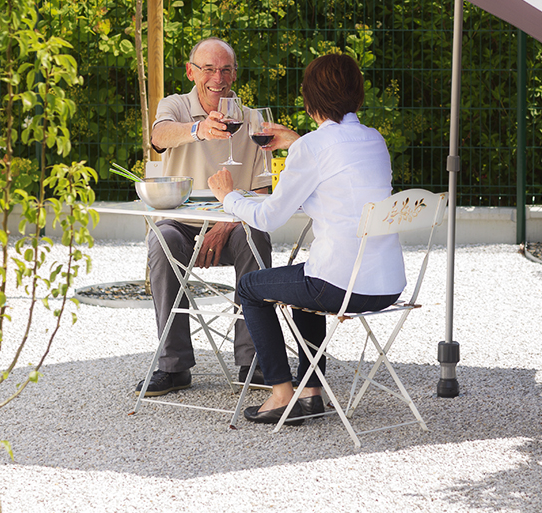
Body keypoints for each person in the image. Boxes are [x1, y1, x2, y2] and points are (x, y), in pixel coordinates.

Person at [207, 53, 400, 425]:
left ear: (308, 98)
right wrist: (298, 143)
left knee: (251, 287)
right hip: (386, 284)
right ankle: (311, 392)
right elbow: (335, 183)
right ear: (358, 95)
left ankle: (281, 394)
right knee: (300, 278)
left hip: (340, 286)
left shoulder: (312, 148)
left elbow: (270, 217)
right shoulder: (374, 140)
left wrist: (227, 196)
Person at [136, 37, 272, 397]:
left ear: (235, 75)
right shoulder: (175, 106)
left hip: (233, 224)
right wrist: (197, 130)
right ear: (191, 72)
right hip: (181, 223)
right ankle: (173, 366)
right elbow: (159, 135)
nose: (218, 77)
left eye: (226, 69)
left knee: (256, 236)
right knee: (162, 239)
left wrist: (226, 223)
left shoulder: (252, 120)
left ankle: (252, 361)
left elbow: (260, 194)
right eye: (209, 69)